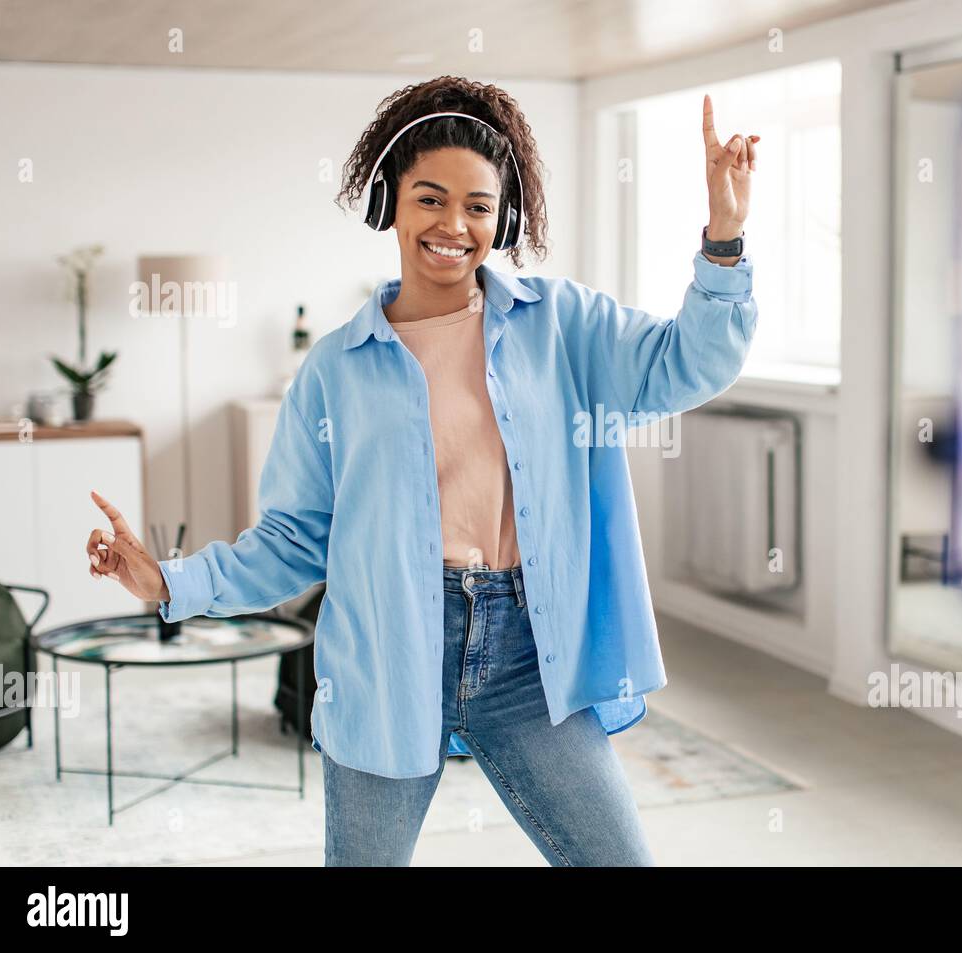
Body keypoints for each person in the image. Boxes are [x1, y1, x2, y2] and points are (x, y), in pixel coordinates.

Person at [84, 75, 759, 866]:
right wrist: (169, 582)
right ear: (389, 205)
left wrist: (723, 240)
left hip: (528, 657)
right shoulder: (334, 370)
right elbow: (297, 539)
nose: (453, 226)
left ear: (501, 220)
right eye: (430, 199)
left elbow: (689, 362)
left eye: (477, 207)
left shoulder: (562, 326)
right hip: (384, 656)